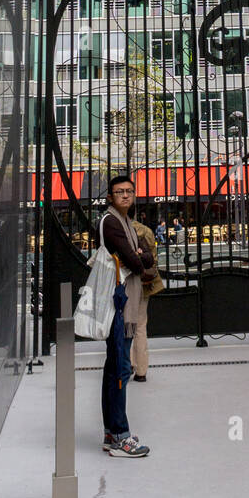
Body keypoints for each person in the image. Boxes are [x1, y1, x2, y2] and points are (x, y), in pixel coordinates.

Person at [96, 176, 155, 457]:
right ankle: (120, 435)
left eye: (129, 191)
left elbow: (146, 257)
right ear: (110, 196)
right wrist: (140, 256)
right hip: (119, 302)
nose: (125, 196)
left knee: (114, 368)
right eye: (119, 192)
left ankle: (112, 433)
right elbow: (136, 260)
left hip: (123, 300)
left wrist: (141, 256)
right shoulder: (111, 223)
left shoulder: (126, 223)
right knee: (119, 369)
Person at [130, 212, 164, 381]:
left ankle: (127, 362)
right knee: (141, 326)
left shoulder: (117, 231)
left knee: (125, 325)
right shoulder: (146, 231)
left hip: (124, 283)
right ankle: (141, 370)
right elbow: (154, 259)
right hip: (144, 283)